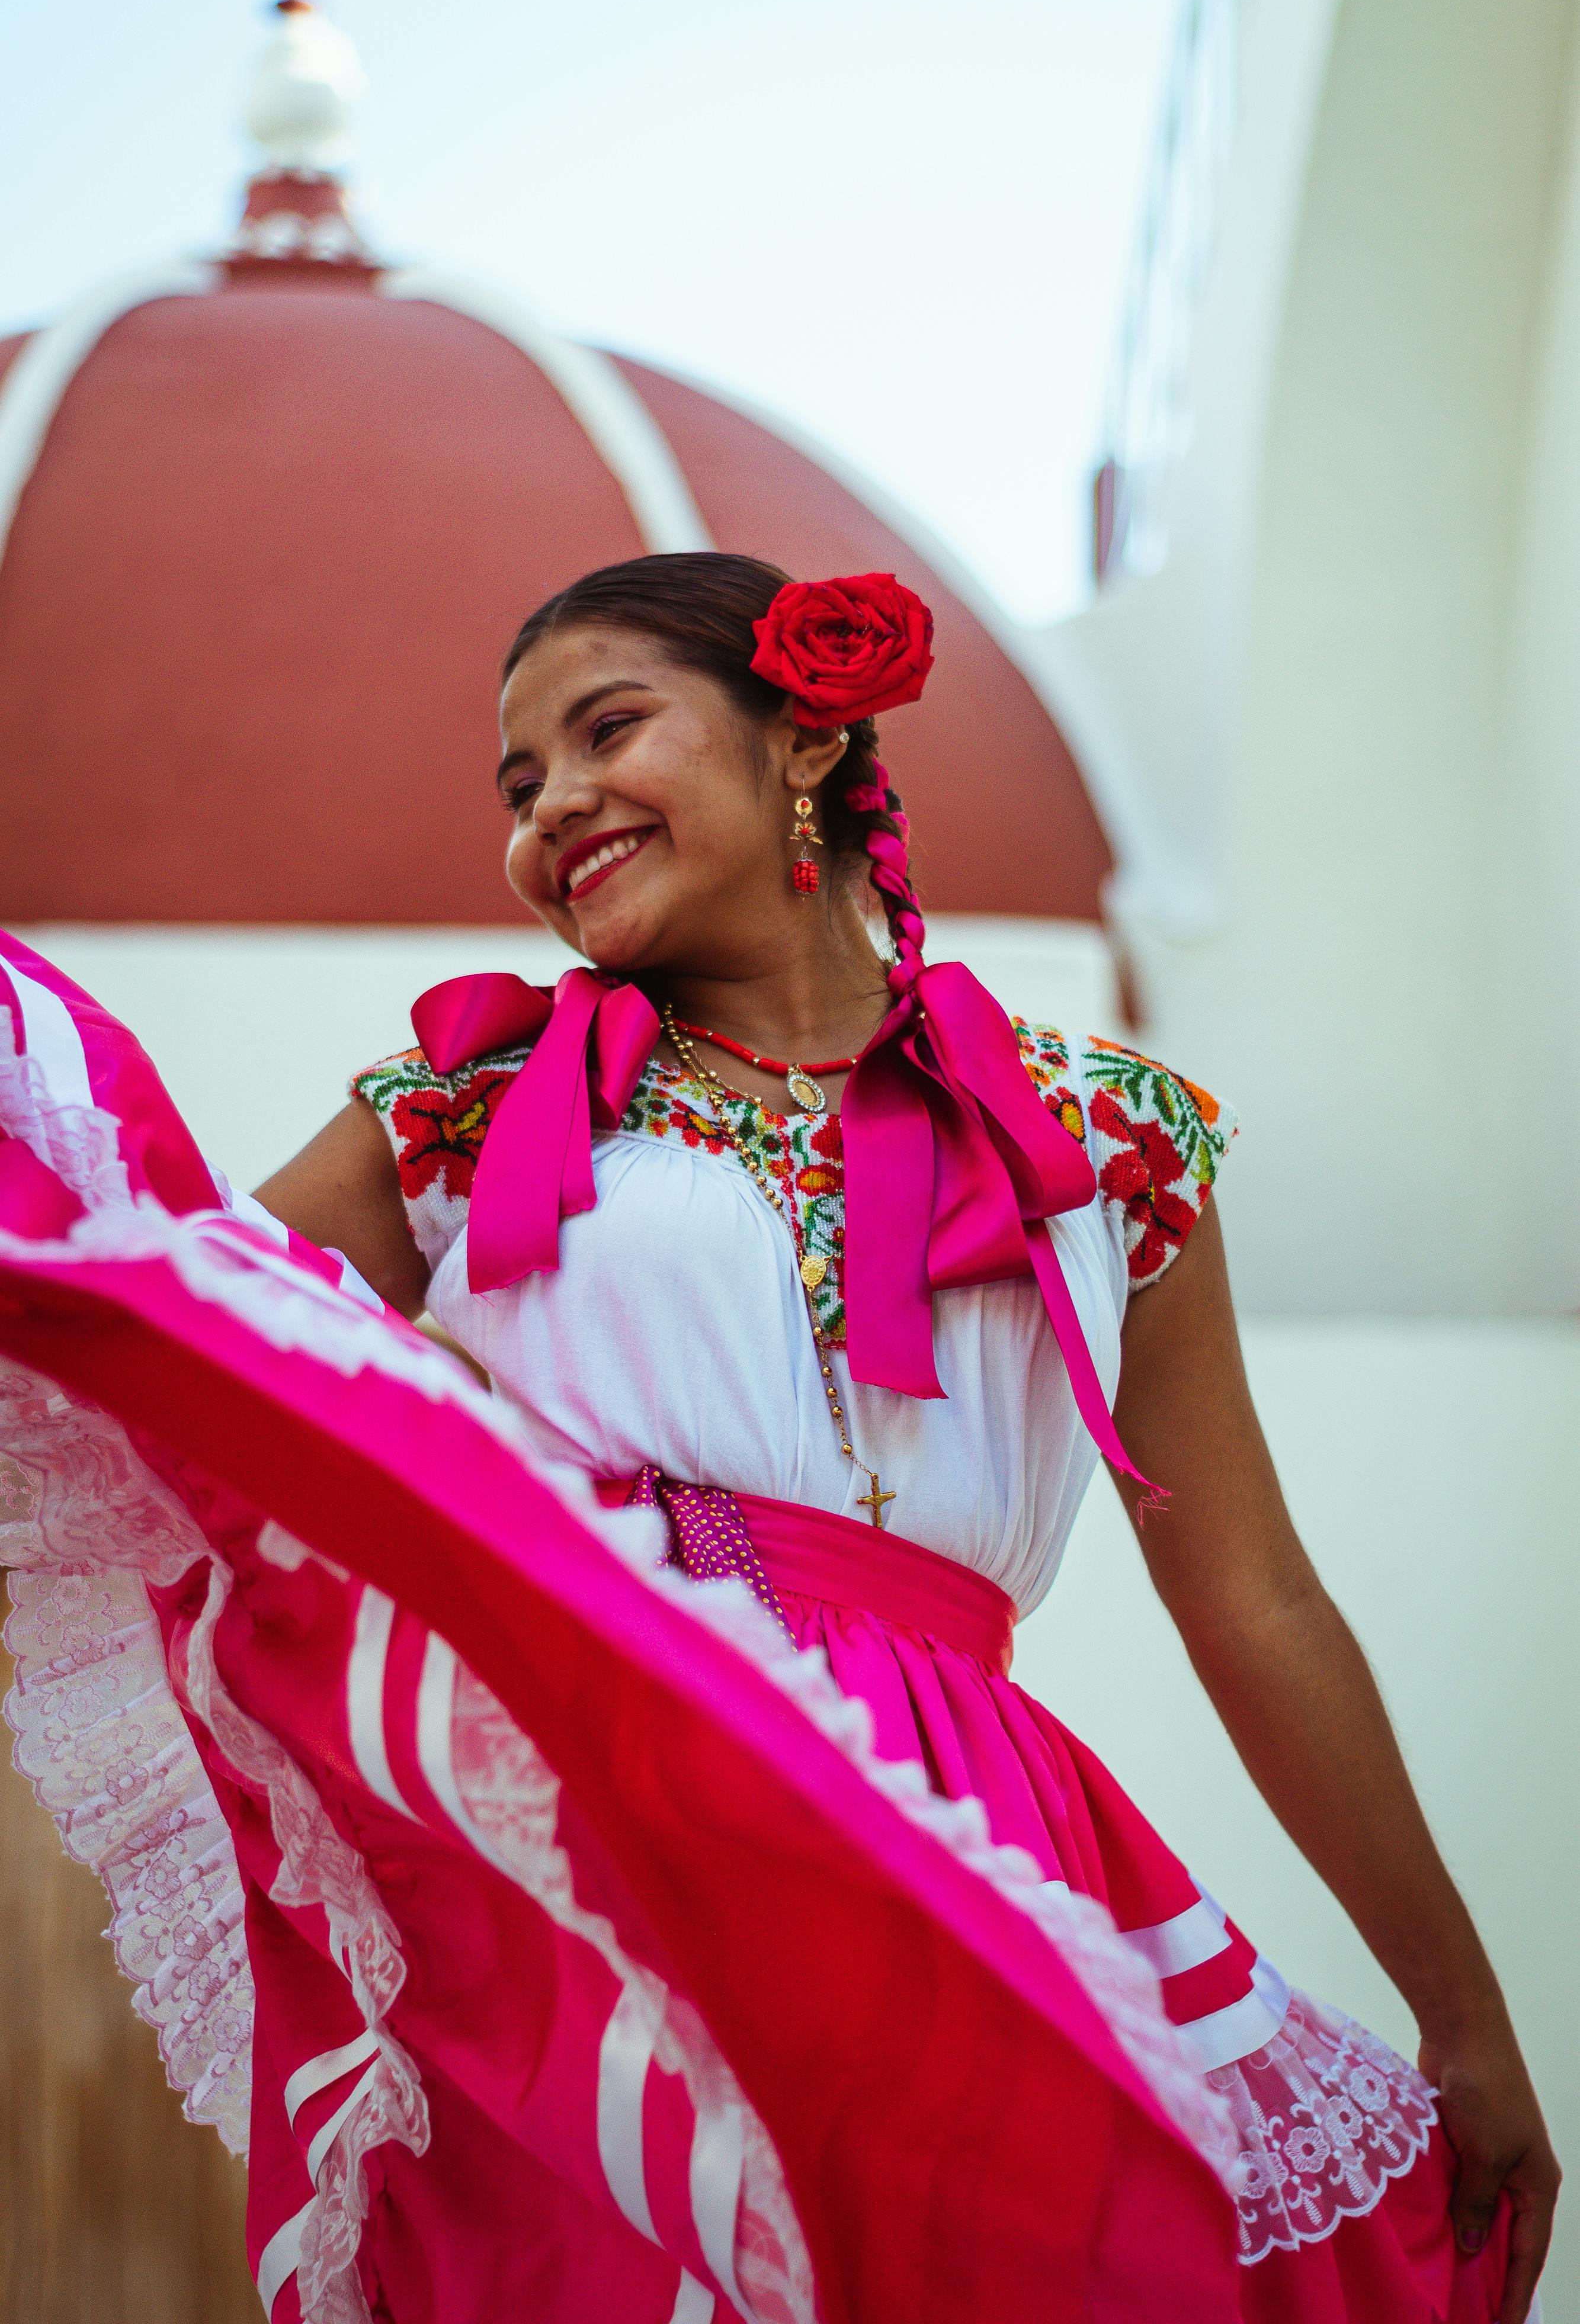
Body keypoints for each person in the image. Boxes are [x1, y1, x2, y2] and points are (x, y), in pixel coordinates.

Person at [0, 554, 1555, 2323]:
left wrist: (1461, 2014)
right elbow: (173, 1316)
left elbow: (1253, 1599)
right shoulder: (464, 1107)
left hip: (970, 1825)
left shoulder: (1108, 1142)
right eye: (520, 787)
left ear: (802, 739)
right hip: (619, 1779)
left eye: (605, 730)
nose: (552, 806)